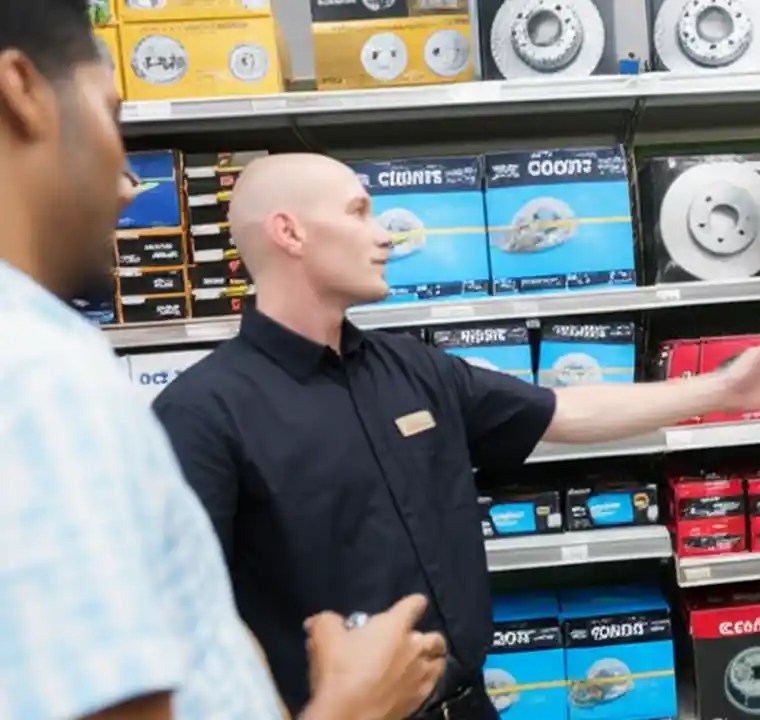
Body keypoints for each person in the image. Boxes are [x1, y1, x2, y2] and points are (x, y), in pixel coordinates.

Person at [151, 153, 760, 718]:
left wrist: (722, 390)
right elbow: (188, 617)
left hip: (469, 704)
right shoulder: (201, 412)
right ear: (290, 233)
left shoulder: (412, 369)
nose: (384, 233)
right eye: (358, 212)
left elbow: (563, 412)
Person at [0, 2, 450, 718]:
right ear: (22, 91)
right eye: (110, 114)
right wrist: (354, 706)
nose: (127, 180)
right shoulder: (39, 371)